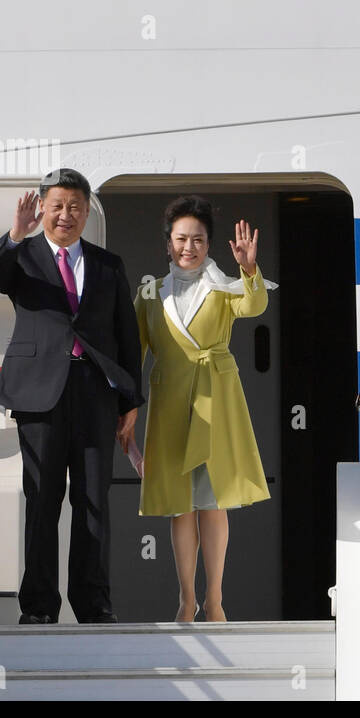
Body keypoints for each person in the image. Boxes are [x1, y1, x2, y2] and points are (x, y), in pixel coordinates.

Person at [0, 168, 143, 625]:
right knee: (42, 500)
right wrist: (15, 234)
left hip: (94, 393)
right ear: (43, 209)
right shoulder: (23, 255)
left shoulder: (108, 265)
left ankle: (92, 605)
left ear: (87, 212)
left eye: (75, 206)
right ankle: (39, 607)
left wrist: (130, 403)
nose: (65, 214)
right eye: (57, 205)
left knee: (93, 500)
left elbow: (127, 337)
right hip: (38, 394)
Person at [126, 195, 272, 622]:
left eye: (198, 240)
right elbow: (134, 350)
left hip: (215, 401)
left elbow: (254, 305)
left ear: (209, 245)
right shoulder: (150, 291)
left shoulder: (226, 286)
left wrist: (248, 269)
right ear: (168, 243)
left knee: (213, 500)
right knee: (180, 503)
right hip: (170, 404)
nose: (188, 247)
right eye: (181, 239)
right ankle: (186, 599)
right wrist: (126, 407)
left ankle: (216, 599)